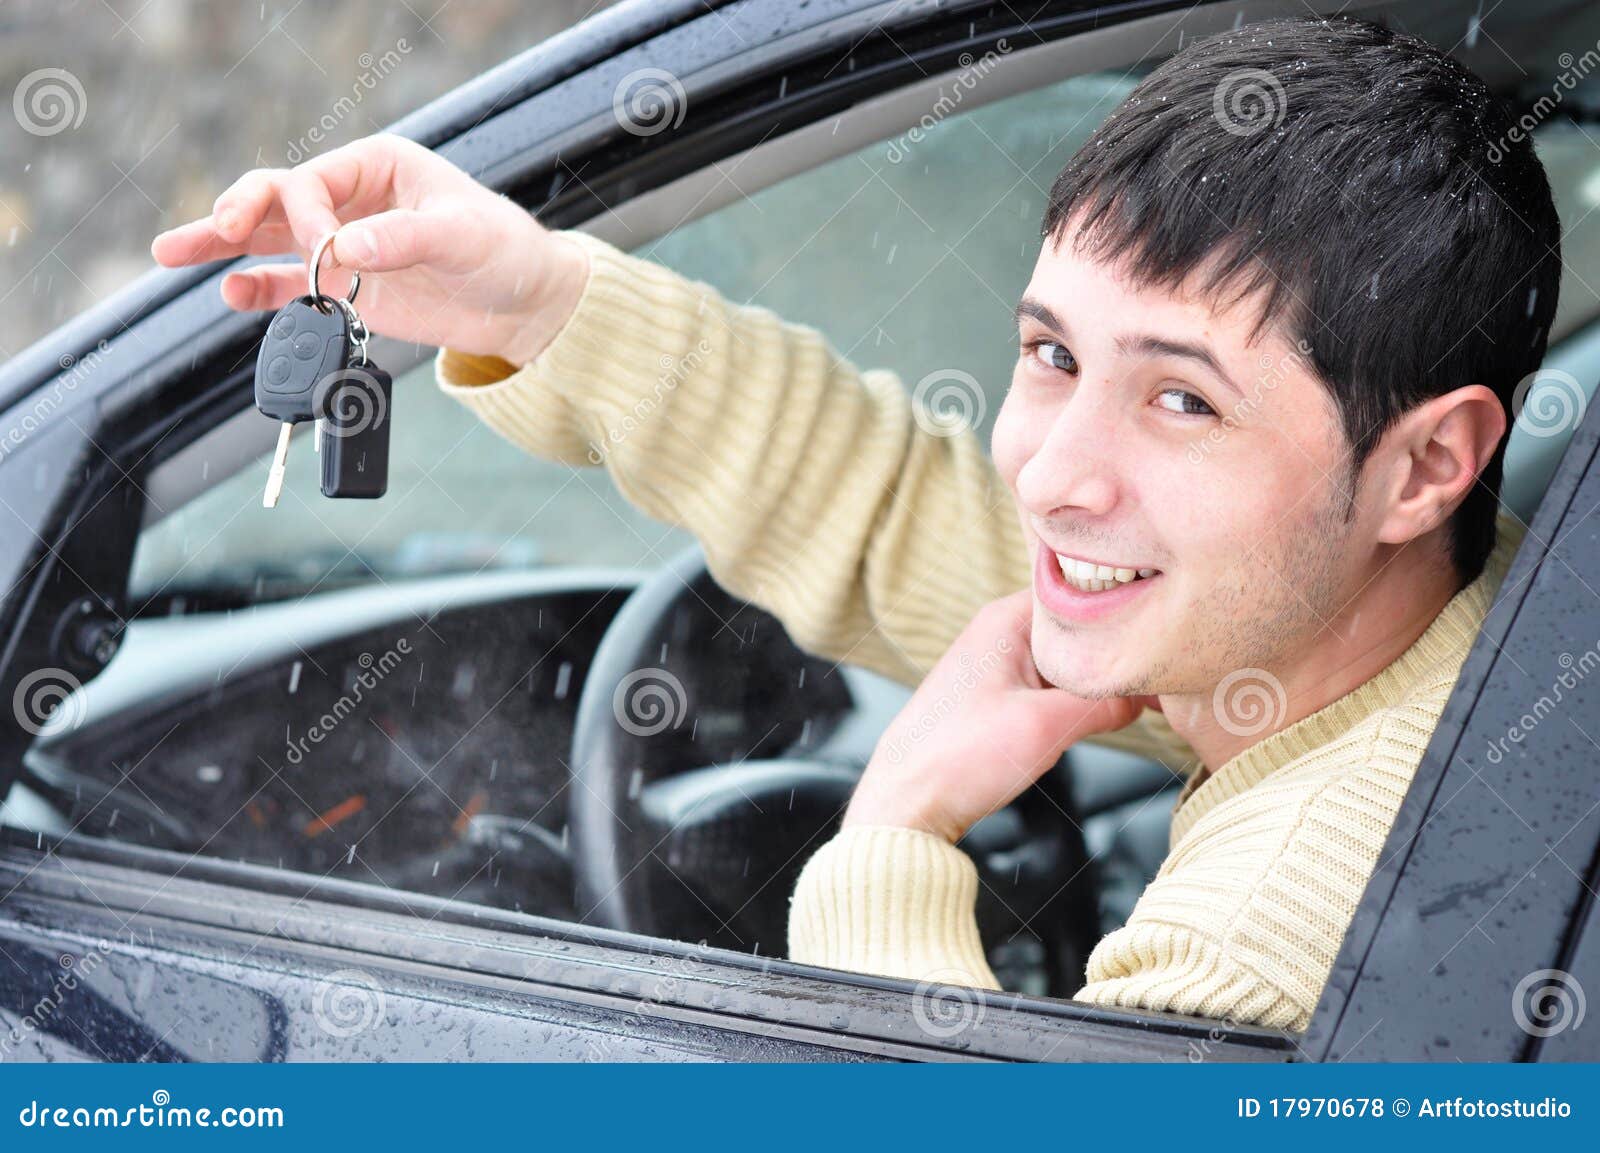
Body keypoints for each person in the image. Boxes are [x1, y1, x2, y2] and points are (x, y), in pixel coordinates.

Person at [152, 16, 1559, 1033]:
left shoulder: (1281, 942)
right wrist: (530, 302)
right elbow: (896, 509)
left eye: (1182, 403)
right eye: (1055, 356)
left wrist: (890, 831)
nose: (1056, 474)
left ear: (1429, 462)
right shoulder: (1477, 621)